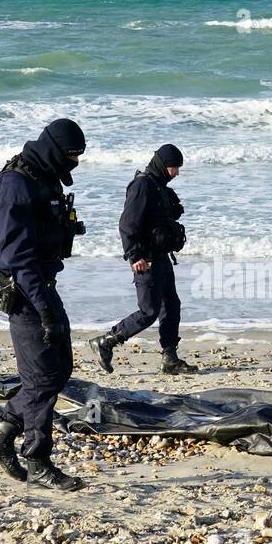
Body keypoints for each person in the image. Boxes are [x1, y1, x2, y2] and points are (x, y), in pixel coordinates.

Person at [0, 119, 88, 491]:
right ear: (55, 149)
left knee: (59, 370)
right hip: (25, 291)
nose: (74, 163)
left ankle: (0, 436)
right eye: (71, 156)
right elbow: (17, 257)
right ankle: (38, 461)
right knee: (40, 378)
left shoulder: (46, 174)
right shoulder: (14, 184)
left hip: (42, 283)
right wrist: (43, 309)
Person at [88, 144, 198, 376]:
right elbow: (127, 224)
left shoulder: (159, 186)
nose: (176, 173)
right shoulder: (142, 186)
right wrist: (134, 255)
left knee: (172, 307)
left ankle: (170, 358)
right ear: (161, 164)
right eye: (173, 168)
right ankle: (106, 341)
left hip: (162, 257)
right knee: (149, 312)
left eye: (177, 168)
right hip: (146, 259)